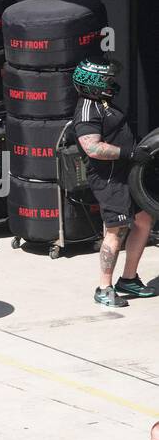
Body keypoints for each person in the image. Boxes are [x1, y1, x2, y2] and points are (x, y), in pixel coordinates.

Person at [73, 58, 155, 307]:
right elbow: (93, 147)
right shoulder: (87, 110)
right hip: (108, 178)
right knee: (116, 229)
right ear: (92, 84)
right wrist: (127, 154)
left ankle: (128, 279)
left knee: (144, 220)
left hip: (127, 172)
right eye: (107, 80)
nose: (112, 84)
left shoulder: (103, 101)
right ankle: (103, 288)